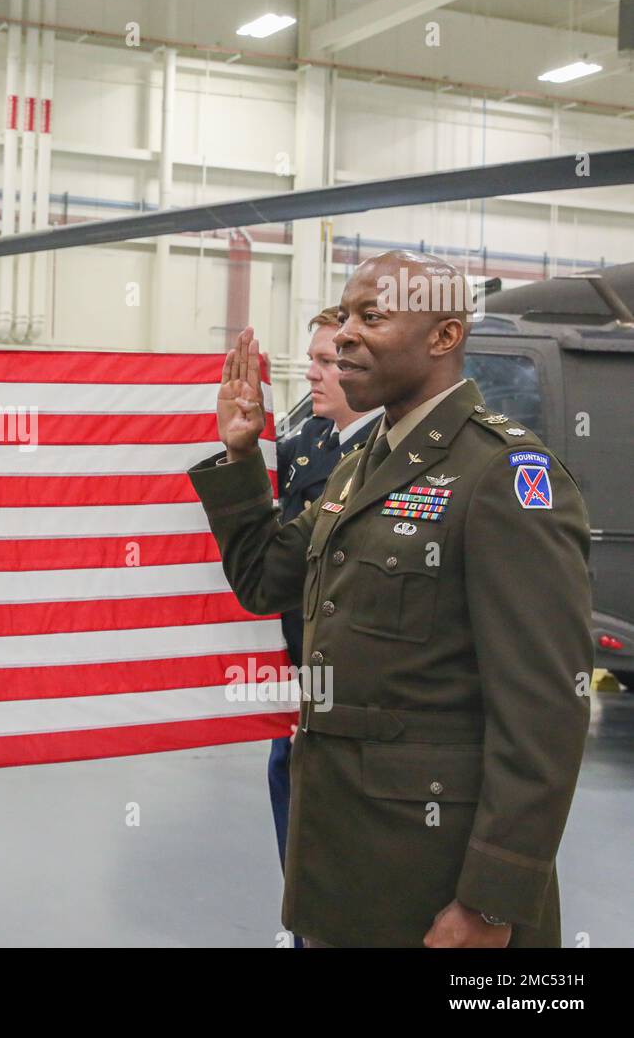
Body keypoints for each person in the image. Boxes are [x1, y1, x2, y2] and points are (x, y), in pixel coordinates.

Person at [191, 250, 591, 948]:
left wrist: (491, 902)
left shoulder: (502, 474)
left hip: (435, 879)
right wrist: (240, 457)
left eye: (371, 317)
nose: (344, 334)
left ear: (443, 337)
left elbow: (547, 709)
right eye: (343, 315)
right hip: (344, 867)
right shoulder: (360, 467)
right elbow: (263, 580)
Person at [269, 309, 382, 875]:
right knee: (298, 875)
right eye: (312, 359)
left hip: (337, 703)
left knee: (329, 878)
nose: (311, 374)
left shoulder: (380, 459)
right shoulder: (310, 441)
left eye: (326, 362)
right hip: (293, 690)